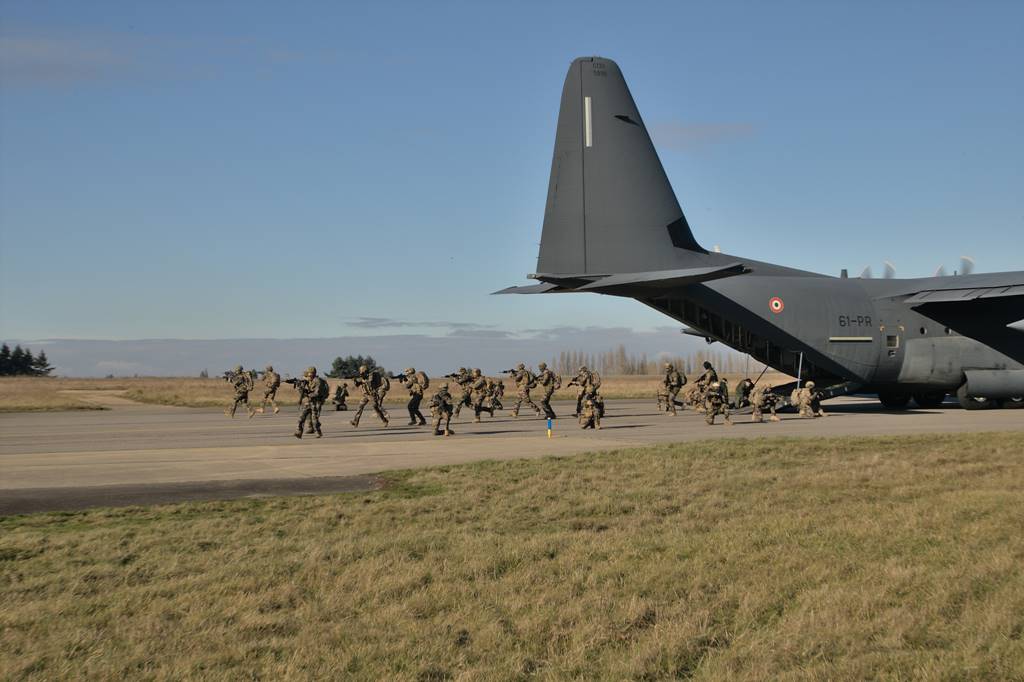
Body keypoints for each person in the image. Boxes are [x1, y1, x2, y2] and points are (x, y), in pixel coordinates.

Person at [294, 366, 329, 439]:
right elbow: (303, 394)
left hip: (315, 403)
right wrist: (300, 387)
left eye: (310, 373)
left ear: (313, 373)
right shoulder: (308, 381)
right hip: (308, 402)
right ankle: (299, 432)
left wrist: (308, 394)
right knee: (301, 418)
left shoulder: (317, 381)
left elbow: (317, 393)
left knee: (314, 420)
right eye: (308, 373)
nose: (309, 375)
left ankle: (318, 432)